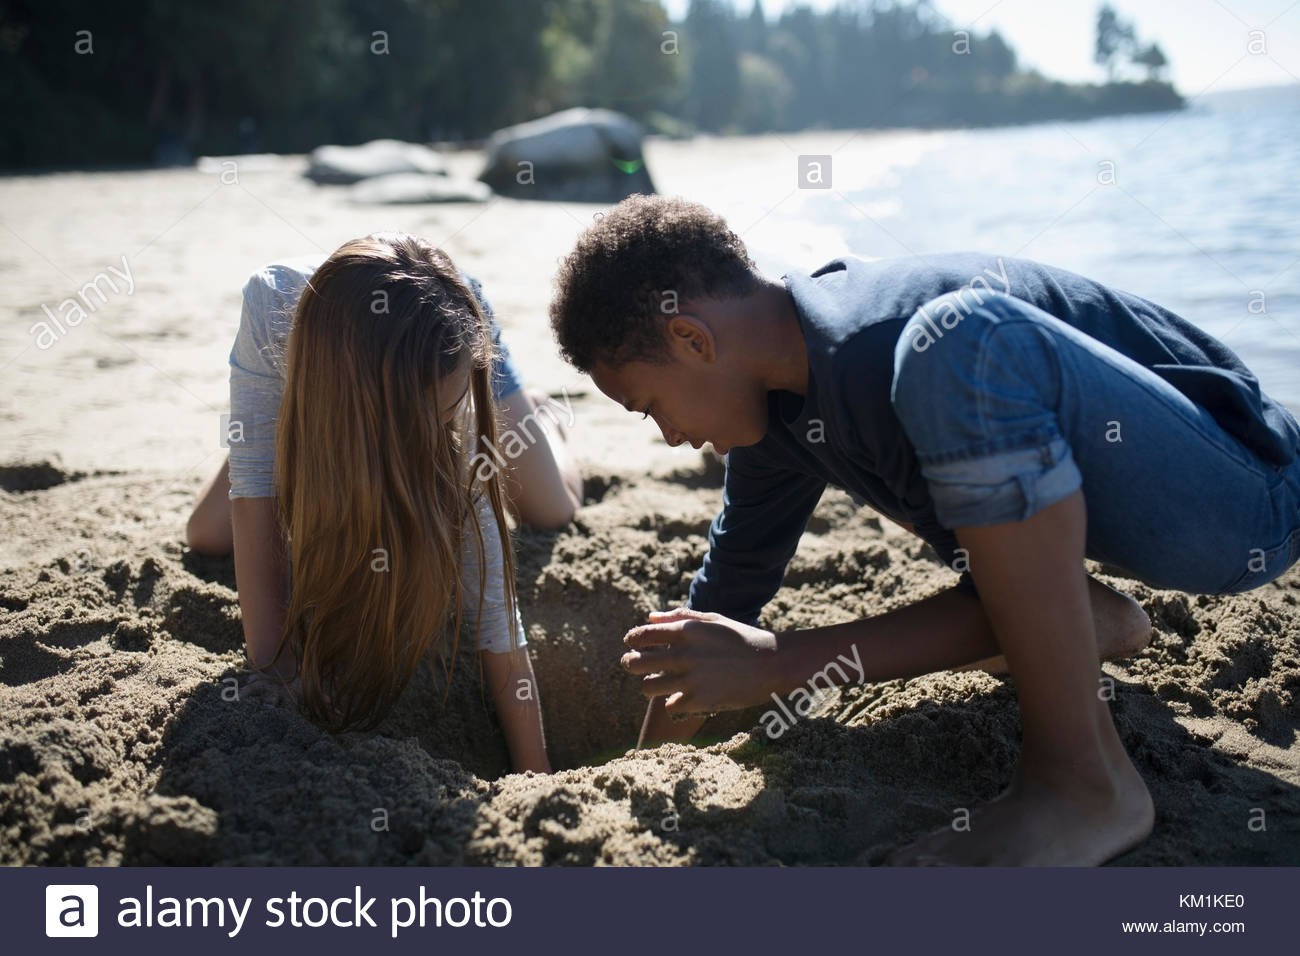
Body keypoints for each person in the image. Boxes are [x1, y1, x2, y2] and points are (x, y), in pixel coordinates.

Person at [547, 195, 1300, 864]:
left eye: (649, 408)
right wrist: (636, 772)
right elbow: (720, 606)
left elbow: (763, 653)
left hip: (1249, 493)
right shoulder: (776, 404)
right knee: (947, 377)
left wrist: (779, 666)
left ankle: (1085, 782)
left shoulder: (872, 341)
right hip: (1161, 511)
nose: (669, 437)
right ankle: (1088, 619)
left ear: (692, 340)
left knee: (954, 344)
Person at [186, 234, 576, 773]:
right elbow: (254, 490)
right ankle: (283, 430)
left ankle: (540, 418)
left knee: (552, 509)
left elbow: (498, 626)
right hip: (316, 391)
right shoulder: (270, 303)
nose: (437, 435)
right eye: (426, 423)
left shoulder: (453, 397)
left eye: (442, 419)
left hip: (458, 340)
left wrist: (535, 774)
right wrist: (277, 670)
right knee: (205, 535)